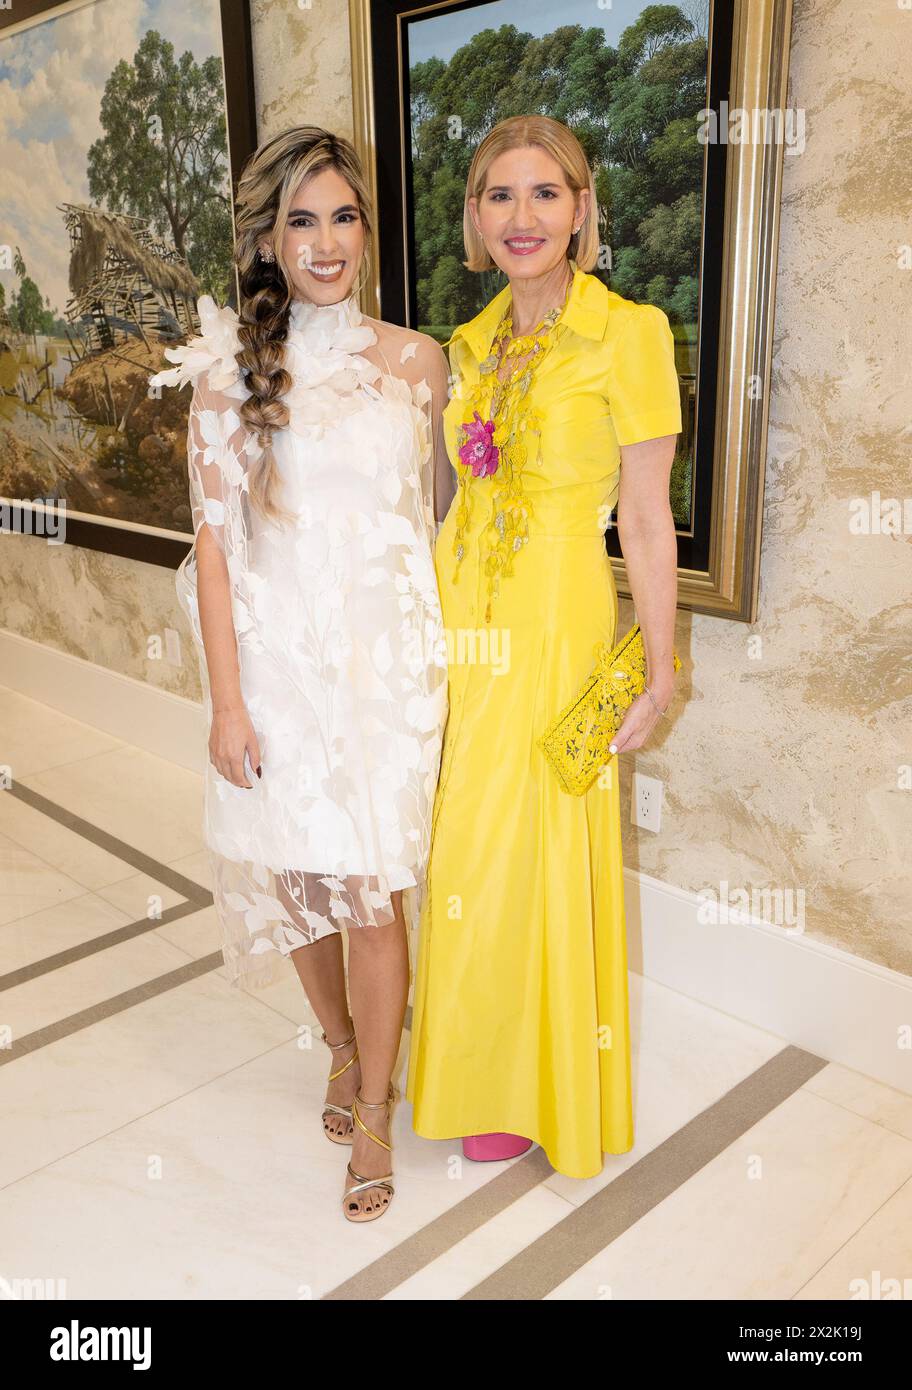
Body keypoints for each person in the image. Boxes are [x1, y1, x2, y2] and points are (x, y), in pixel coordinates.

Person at [149, 127, 456, 1222]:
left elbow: (439, 519)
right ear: (269, 239)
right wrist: (229, 702)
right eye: (301, 220)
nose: (326, 242)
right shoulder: (230, 374)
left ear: (367, 229)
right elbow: (217, 548)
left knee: (373, 889)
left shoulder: (418, 361)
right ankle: (337, 1042)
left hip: (388, 672)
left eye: (344, 216)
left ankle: (375, 1103)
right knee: (302, 876)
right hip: (278, 670)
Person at [405, 115, 683, 1180]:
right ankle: (482, 1075)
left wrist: (660, 667)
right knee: (464, 854)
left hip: (560, 626)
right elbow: (439, 506)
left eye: (544, 194)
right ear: (474, 217)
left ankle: (544, 1088)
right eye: (499, 196)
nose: (522, 218)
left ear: (580, 208)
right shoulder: (464, 347)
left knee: (540, 858)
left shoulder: (631, 334)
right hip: (456, 626)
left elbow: (647, 519)